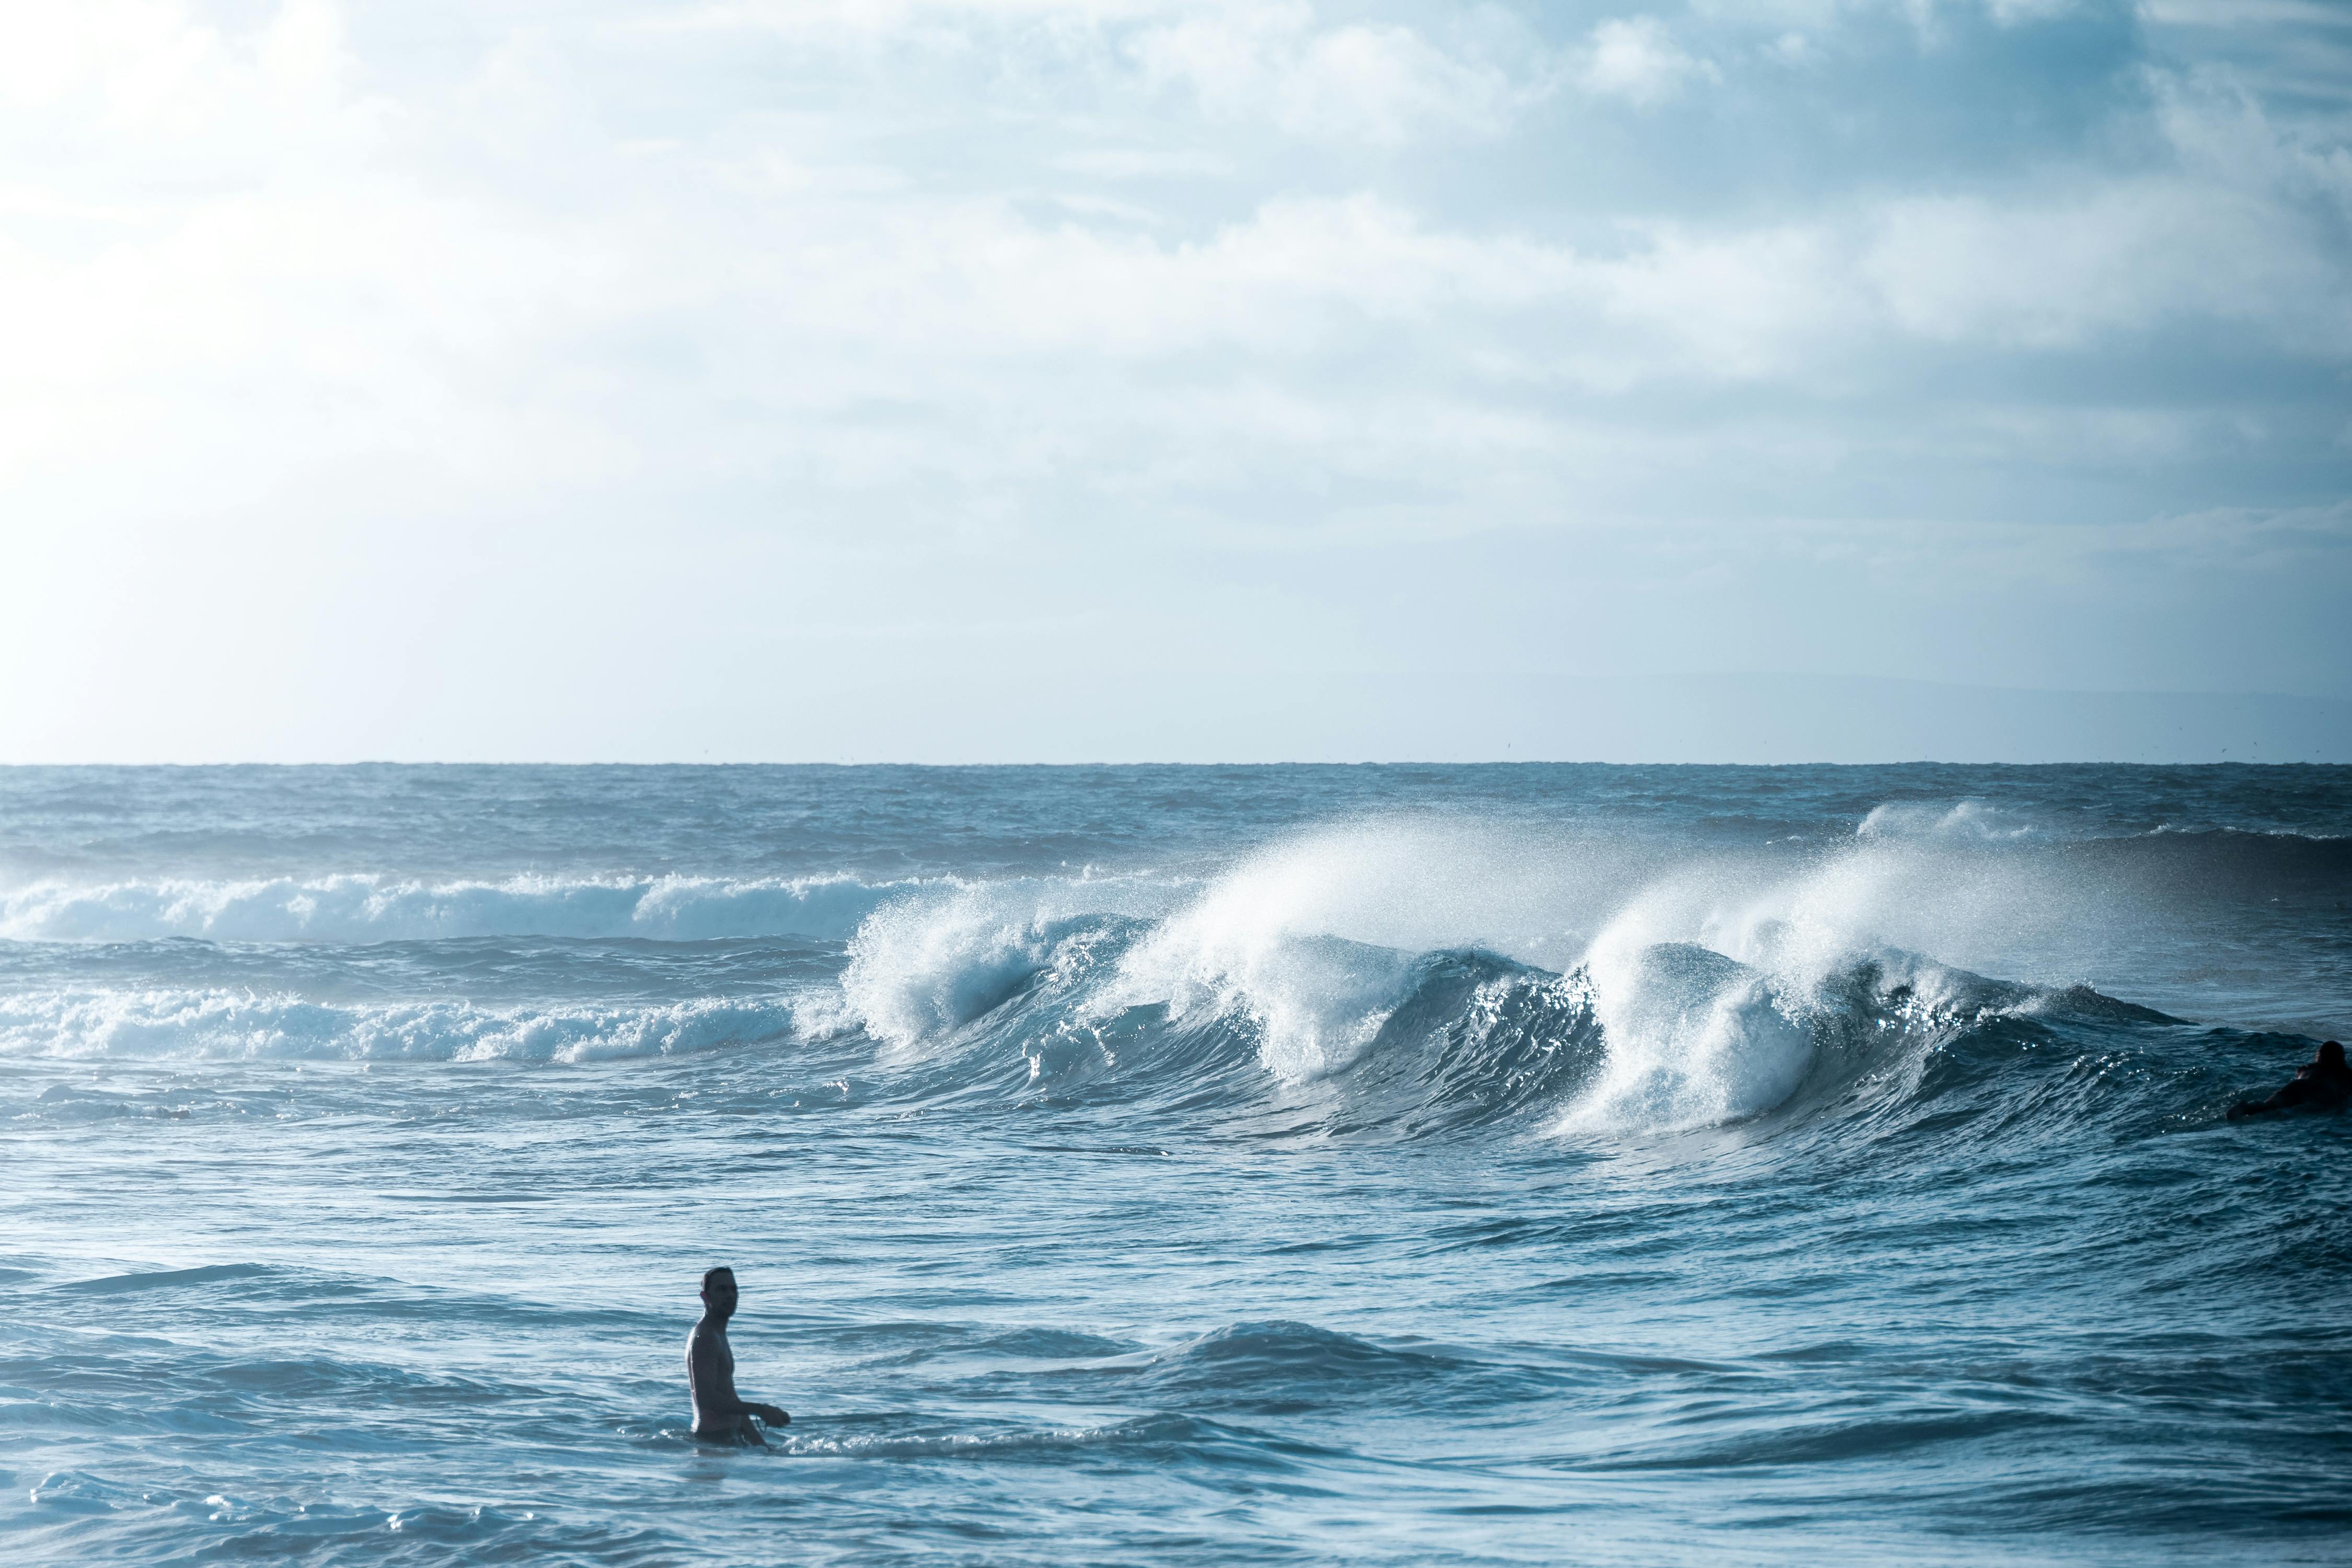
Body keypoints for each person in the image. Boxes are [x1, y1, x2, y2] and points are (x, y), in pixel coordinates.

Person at [686, 1266, 790, 1444]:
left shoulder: (718, 1334)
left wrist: (762, 1447)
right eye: (722, 1289)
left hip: (728, 1438)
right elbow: (706, 1399)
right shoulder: (705, 1337)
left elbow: (730, 1399)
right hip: (712, 1442)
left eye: (734, 1289)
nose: (730, 1295)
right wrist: (761, 1410)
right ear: (705, 1297)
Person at [2227, 1040, 2352, 1121]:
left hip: (2296, 1086)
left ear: (2318, 1057)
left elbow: (2301, 1074)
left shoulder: (2306, 1069)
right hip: (2323, 1090)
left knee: (2269, 1106)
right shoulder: (2345, 1072)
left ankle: (2246, 1108)